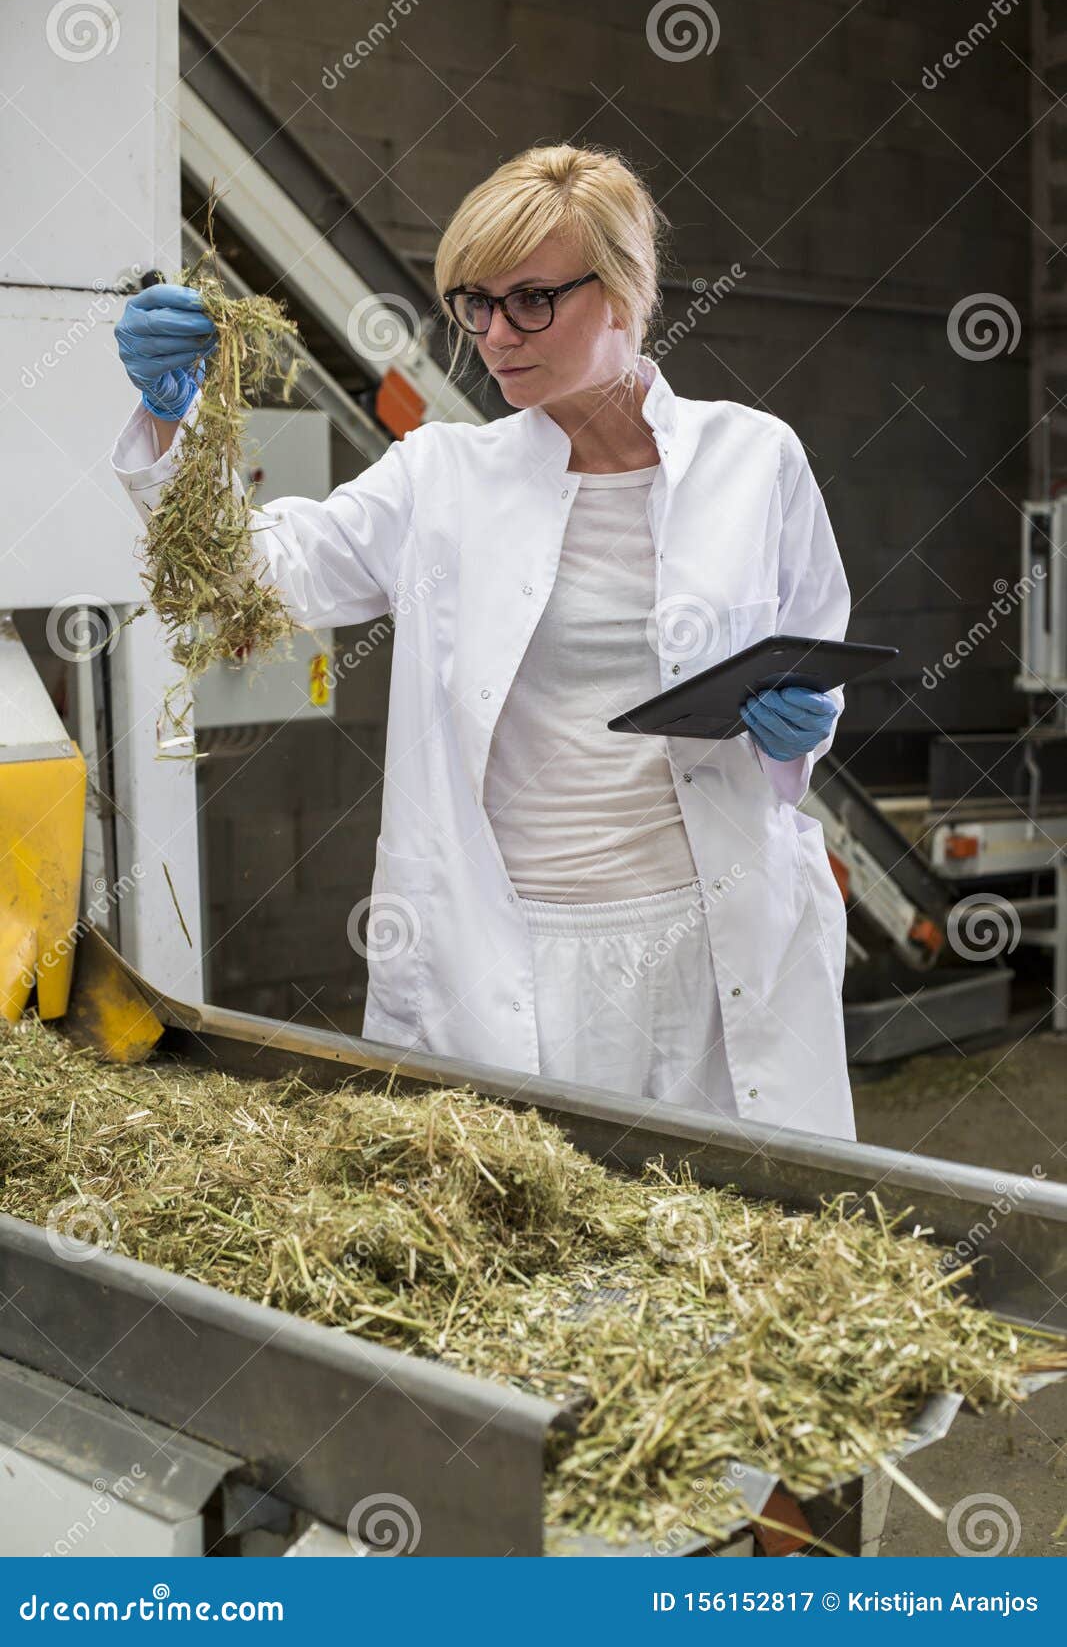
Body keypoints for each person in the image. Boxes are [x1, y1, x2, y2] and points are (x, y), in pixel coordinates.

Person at [111, 143, 855, 1142]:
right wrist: (177, 426)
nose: (495, 335)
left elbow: (813, 648)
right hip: (514, 956)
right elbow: (251, 575)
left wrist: (798, 722)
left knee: (724, 1247)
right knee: (542, 1260)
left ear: (627, 290)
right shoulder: (441, 477)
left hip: (708, 941)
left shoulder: (753, 459)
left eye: (531, 299)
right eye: (475, 303)